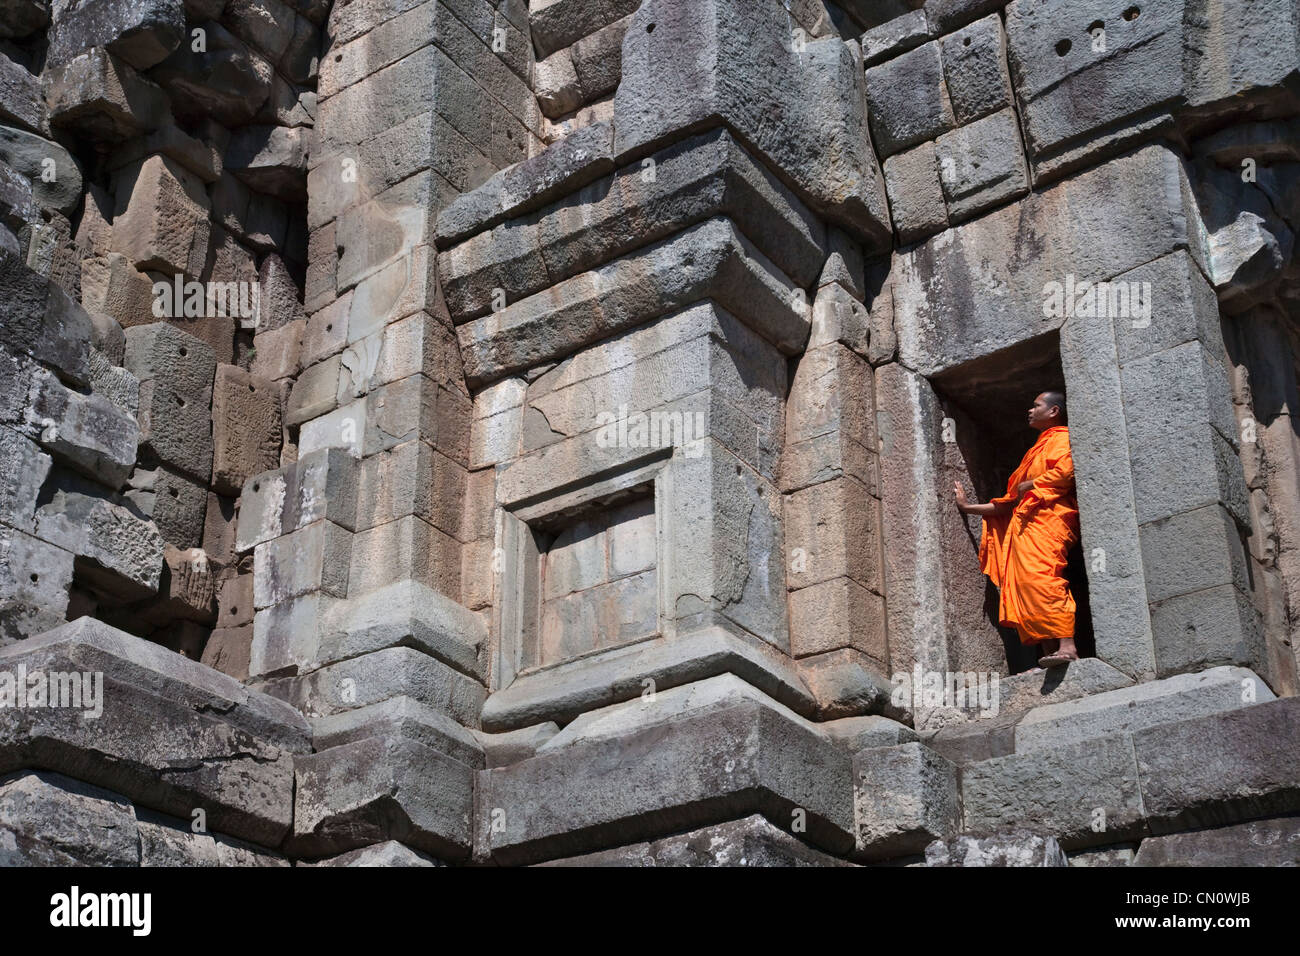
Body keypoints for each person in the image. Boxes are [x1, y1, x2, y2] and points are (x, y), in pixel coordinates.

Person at [952, 391, 1081, 667]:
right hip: (1025, 524)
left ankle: (1067, 646)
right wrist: (967, 507)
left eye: (1036, 406)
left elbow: (1067, 474)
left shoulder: (1064, 438)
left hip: (1049, 519)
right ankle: (1049, 653)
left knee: (1045, 577)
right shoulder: (1034, 452)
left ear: (1054, 411)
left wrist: (1032, 485)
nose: (1030, 411)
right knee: (1025, 585)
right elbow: (1007, 504)